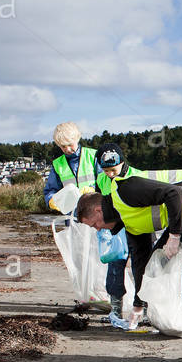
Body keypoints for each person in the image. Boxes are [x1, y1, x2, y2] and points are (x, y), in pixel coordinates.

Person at [74, 147, 182, 327]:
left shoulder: (125, 189)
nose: (98, 230)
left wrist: (175, 236)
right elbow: (141, 264)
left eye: (94, 224)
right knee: (160, 263)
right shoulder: (128, 223)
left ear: (98, 210)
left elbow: (173, 193)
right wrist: (138, 305)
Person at [42, 121, 126, 319]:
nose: (68, 149)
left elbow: (109, 178)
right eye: (63, 147)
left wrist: (96, 191)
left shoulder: (93, 156)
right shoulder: (58, 164)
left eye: (70, 144)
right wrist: (52, 201)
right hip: (75, 220)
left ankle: (105, 295)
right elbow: (50, 191)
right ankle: (87, 295)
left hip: (99, 217)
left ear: (78, 139)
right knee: (80, 259)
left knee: (103, 257)